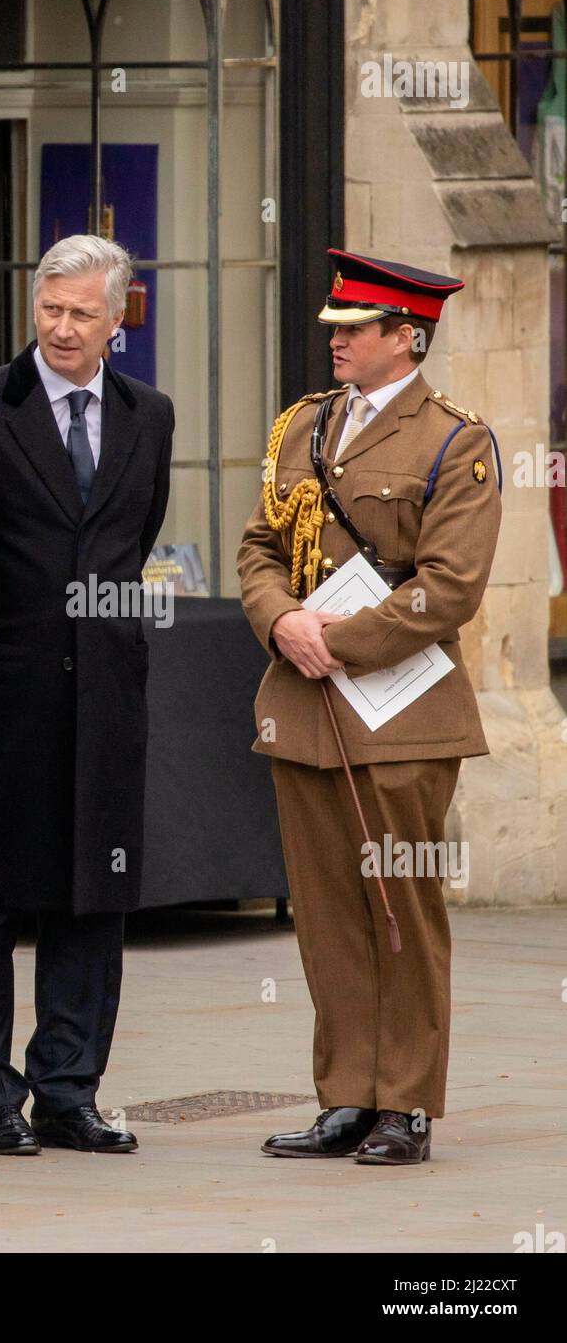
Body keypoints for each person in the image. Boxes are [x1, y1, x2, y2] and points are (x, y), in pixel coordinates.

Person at [238, 249, 502, 1165]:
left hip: (403, 713)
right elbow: (260, 547)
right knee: (327, 911)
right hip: (306, 706)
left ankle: (406, 1102)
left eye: (355, 330)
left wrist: (334, 639)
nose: (338, 343)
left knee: (401, 904)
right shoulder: (304, 426)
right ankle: (346, 1094)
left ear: (408, 338)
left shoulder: (456, 440)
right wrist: (281, 625)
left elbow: (450, 587)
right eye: (336, 329)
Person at [0, 235, 174, 1154]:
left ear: (119, 321)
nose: (64, 327)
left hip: (109, 691)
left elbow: (132, 535)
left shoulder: (150, 414)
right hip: (2, 687)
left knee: (94, 893)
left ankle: (69, 1091)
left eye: (84, 314)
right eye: (51, 309)